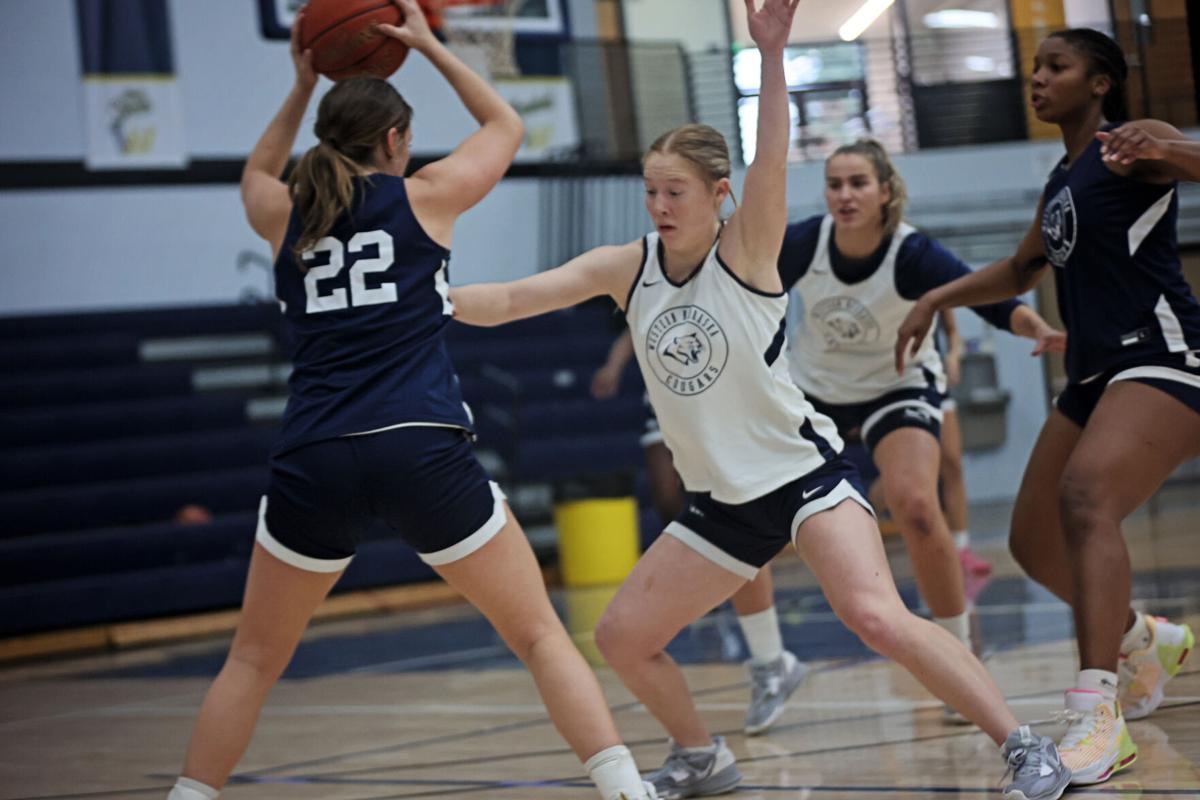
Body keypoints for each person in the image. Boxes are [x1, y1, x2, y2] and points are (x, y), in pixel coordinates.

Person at [450, 2, 1071, 798]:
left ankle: (1026, 746)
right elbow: (510, 299)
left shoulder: (747, 249)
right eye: (651, 191)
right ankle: (702, 756)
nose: (660, 206)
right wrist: (428, 298)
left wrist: (773, 57)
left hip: (801, 477)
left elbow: (771, 153)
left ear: (719, 195)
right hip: (722, 503)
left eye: (676, 192)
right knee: (624, 636)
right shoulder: (625, 266)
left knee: (875, 615)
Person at [165, 5, 656, 800]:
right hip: (418, 443)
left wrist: (300, 85)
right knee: (538, 634)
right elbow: (504, 124)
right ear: (396, 140)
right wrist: (429, 45)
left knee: (252, 661)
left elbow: (255, 175)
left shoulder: (285, 216)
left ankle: (189, 795)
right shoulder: (427, 197)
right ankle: (626, 790)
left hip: (314, 453)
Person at [896, 27, 1198, 788]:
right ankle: (1145, 639)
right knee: (1032, 541)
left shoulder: (1135, 140)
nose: (1037, 79)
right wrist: (935, 297)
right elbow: (1021, 268)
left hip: (1162, 355)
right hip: (1094, 372)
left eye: (1055, 67)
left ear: (1100, 82)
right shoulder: (1063, 177)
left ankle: (1099, 715)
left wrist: (1170, 151)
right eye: (1034, 68)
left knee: (1086, 497)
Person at [779, 139, 1065, 692]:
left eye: (858, 183)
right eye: (835, 184)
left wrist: (1031, 324)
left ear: (885, 192)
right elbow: (744, 282)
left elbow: (987, 296)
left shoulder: (910, 253)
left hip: (897, 382)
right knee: (755, 507)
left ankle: (957, 657)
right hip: (816, 387)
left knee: (914, 503)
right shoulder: (805, 242)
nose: (845, 195)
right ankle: (771, 662)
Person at [593, 333, 808, 736]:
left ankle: (770, 659)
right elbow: (630, 329)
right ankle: (758, 659)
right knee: (666, 495)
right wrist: (613, 365)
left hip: (722, 393)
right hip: (667, 395)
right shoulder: (644, 293)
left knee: (739, 516)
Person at [935, 308, 994, 578]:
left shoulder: (928, 283)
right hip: (890, 388)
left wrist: (953, 356)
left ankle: (961, 548)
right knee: (904, 476)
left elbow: (952, 331)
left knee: (952, 462)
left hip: (932, 381)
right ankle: (871, 513)